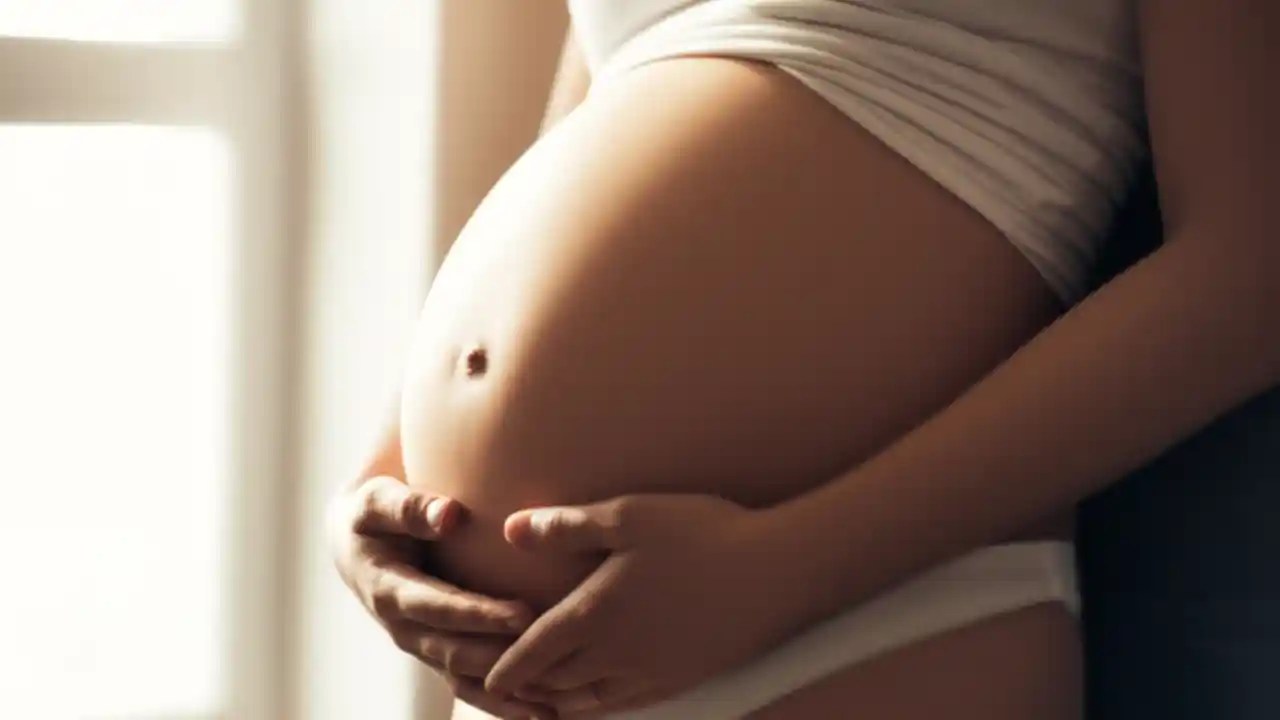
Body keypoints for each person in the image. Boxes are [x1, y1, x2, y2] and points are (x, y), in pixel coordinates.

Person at [328, 1, 1278, 718]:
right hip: (532, 657)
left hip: (871, 613)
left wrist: (781, 574)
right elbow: (591, 133)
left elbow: (1251, 270)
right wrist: (381, 476)